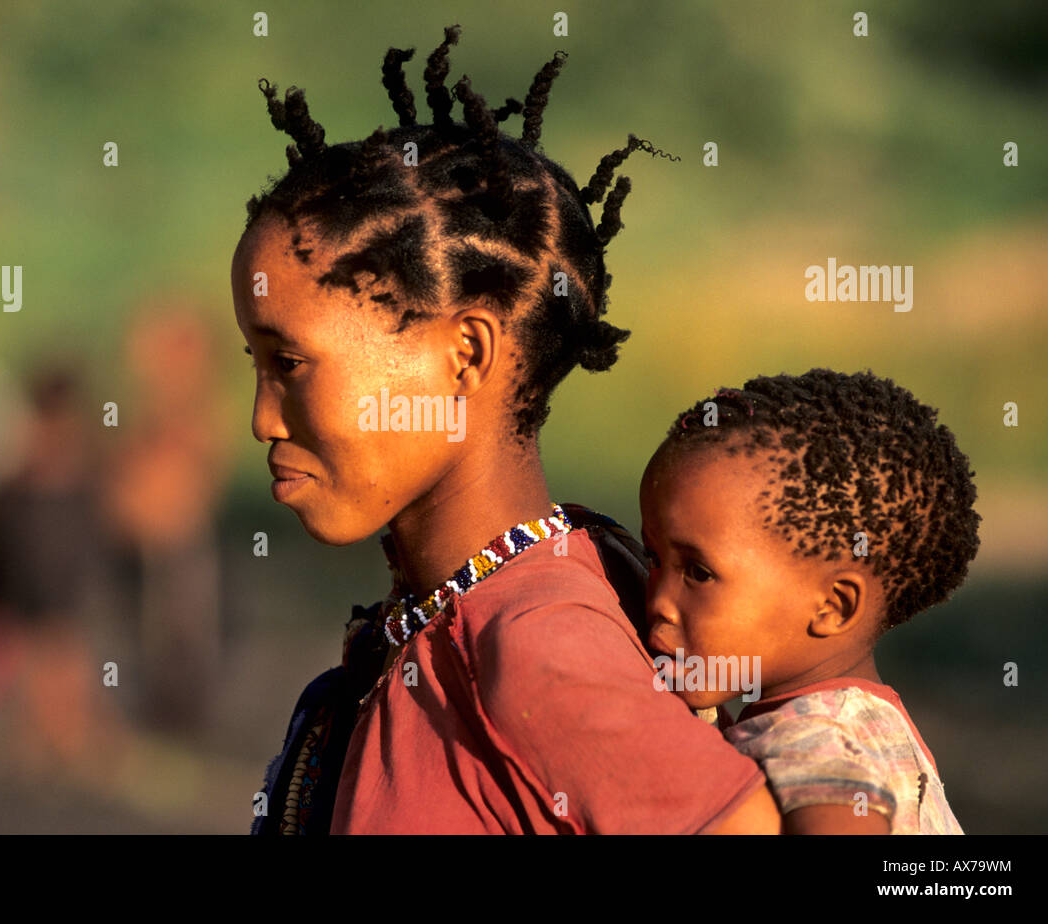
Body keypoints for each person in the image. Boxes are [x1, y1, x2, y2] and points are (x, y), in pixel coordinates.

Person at [233, 26, 779, 834]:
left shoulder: (537, 642)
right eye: (254, 361)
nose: (262, 418)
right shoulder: (447, 618)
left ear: (465, 355)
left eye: (290, 364)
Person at [638, 369, 977, 833]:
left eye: (698, 572)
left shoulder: (811, 733)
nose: (659, 600)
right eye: (651, 557)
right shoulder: (855, 722)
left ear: (832, 607)